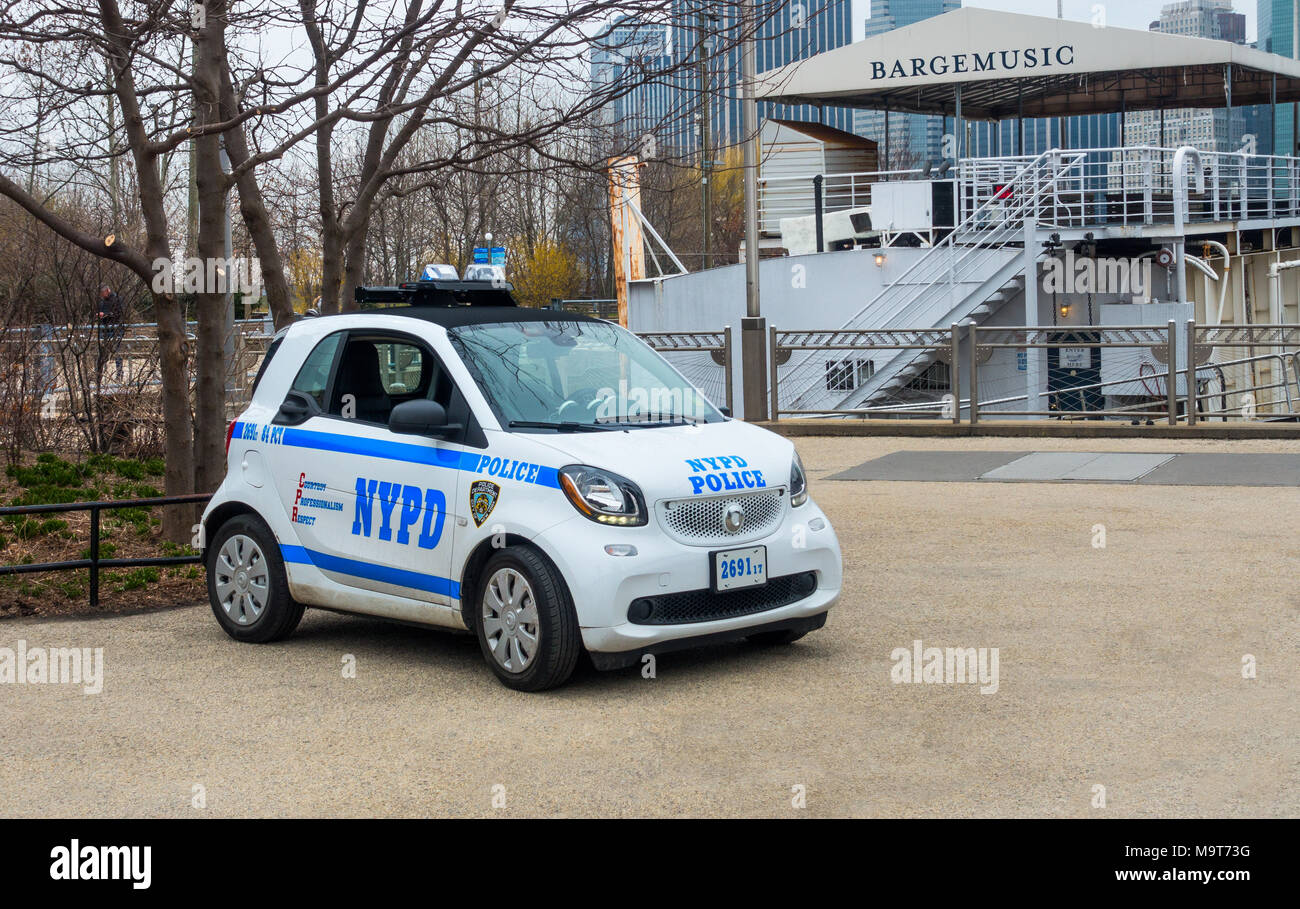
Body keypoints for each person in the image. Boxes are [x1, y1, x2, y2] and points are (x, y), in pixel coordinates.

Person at [96, 284, 125, 382]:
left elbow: (118, 314)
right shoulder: (102, 302)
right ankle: (99, 375)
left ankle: (119, 374)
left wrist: (106, 315)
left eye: (102, 293)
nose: (101, 295)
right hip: (104, 330)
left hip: (115, 329)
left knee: (117, 352)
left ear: (107, 291)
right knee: (101, 353)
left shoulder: (117, 299)